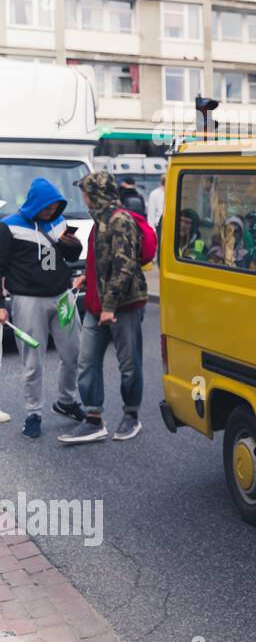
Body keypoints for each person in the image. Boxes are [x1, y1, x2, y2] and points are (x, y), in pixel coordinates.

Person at [57, 172, 149, 445]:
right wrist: (88, 276)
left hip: (122, 306)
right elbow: (104, 260)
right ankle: (93, 419)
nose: (83, 197)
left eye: (85, 192)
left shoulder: (120, 220)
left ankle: (131, 416)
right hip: (98, 305)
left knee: (129, 364)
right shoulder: (99, 220)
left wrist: (109, 306)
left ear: (96, 194)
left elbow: (125, 266)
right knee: (87, 363)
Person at [0, 179, 86, 437]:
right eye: (47, 206)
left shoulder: (58, 222)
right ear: (35, 203)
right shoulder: (8, 227)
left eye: (56, 206)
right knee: (32, 361)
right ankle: (33, 413)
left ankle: (66, 401)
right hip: (27, 300)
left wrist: (74, 247)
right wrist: (1, 305)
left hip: (62, 297)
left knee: (74, 353)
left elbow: (67, 257)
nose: (52, 211)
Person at [147, 173, 165, 265]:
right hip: (159, 224)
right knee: (160, 247)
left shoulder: (172, 192)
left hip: (168, 223)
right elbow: (151, 211)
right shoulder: (155, 193)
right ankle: (160, 264)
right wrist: (151, 228)